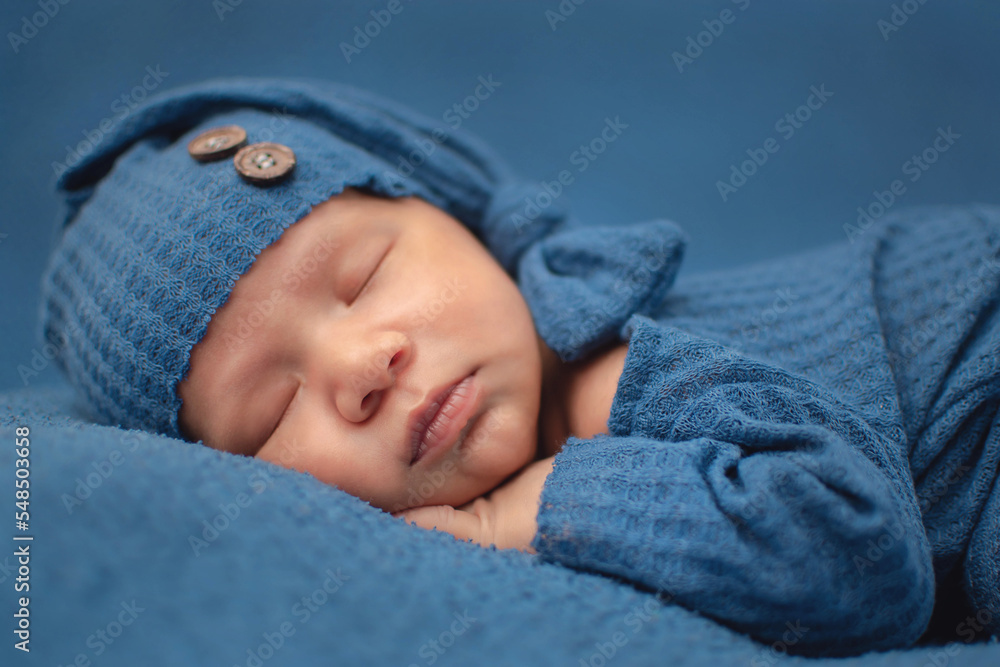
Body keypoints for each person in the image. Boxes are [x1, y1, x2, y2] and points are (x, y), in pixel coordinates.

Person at [39, 76, 1000, 656]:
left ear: (460, 221)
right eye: (273, 408)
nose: (364, 365)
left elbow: (861, 555)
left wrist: (528, 511)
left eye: (365, 275)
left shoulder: (614, 365)